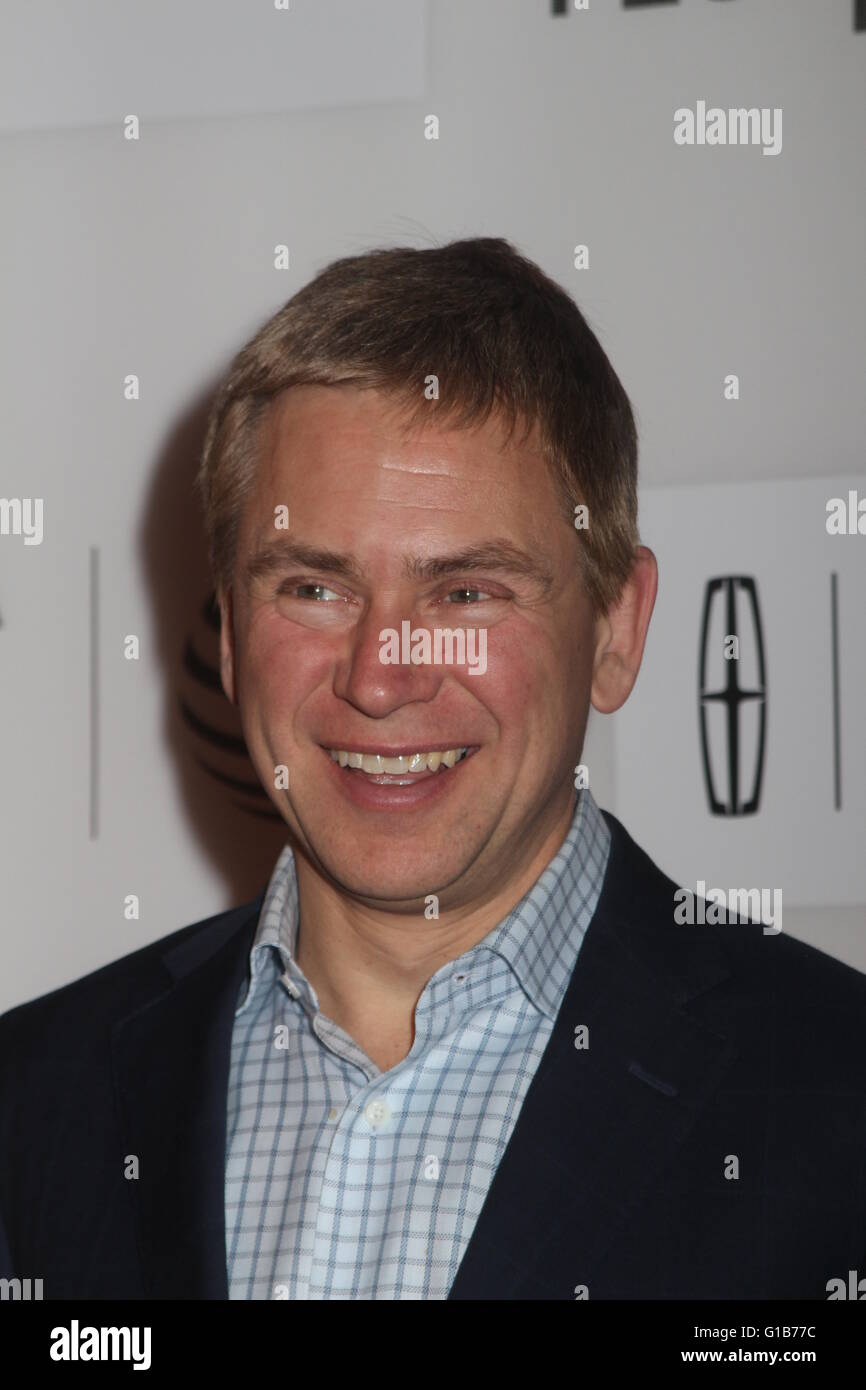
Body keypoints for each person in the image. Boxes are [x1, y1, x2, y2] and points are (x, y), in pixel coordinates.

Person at [1, 238, 864, 1301]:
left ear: (614, 630)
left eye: (464, 593)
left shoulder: (828, 1106)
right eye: (312, 588)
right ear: (226, 635)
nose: (379, 676)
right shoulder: (37, 1102)